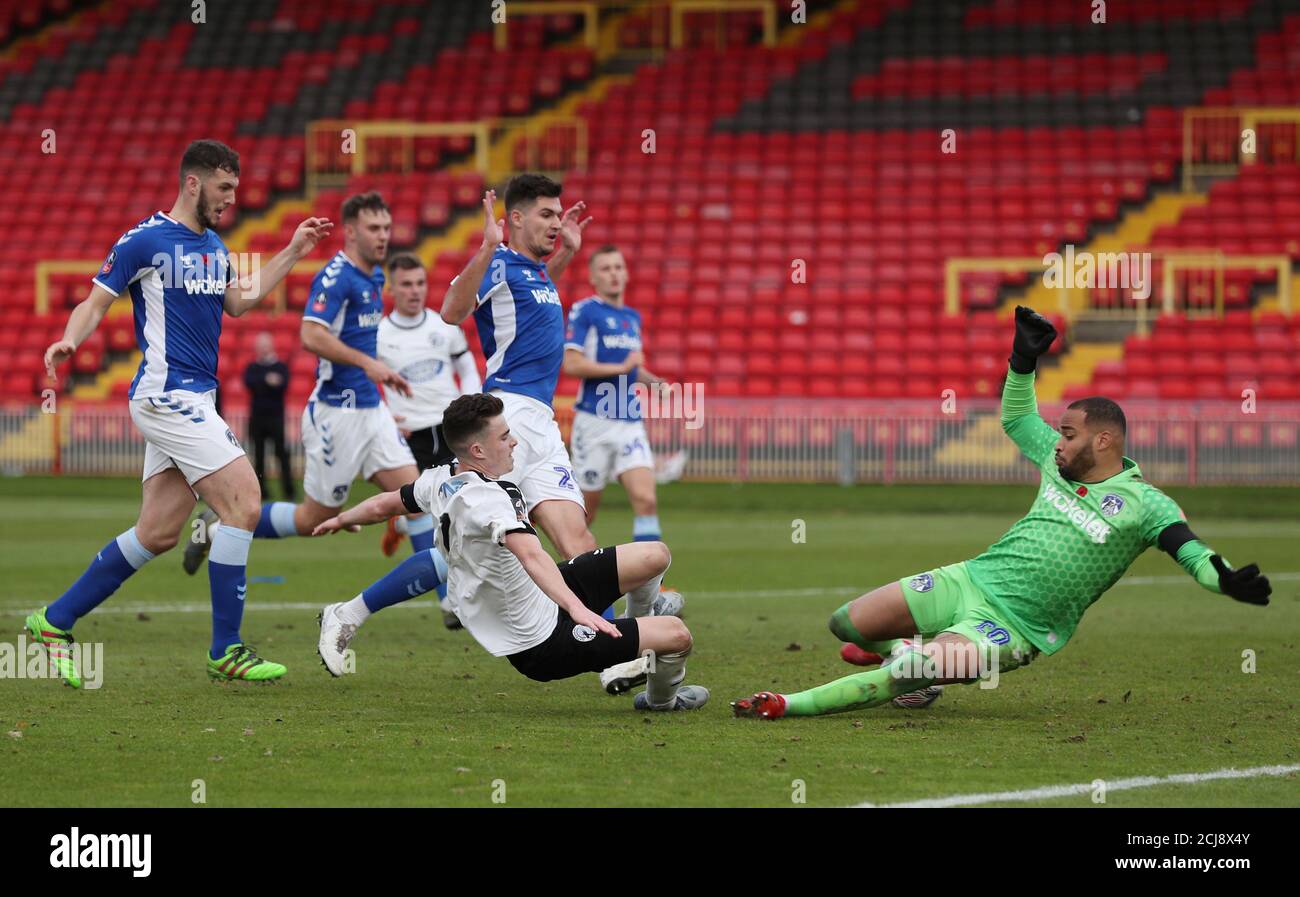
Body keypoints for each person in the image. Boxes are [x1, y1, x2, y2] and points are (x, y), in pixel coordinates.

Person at [733, 307, 1272, 720]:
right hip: (969, 578)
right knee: (845, 624)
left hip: (1012, 629)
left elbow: (1193, 553)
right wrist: (1022, 361)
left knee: (911, 669)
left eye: (1069, 434)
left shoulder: (1147, 505)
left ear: (1103, 440)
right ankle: (905, 653)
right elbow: (1017, 417)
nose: (1057, 442)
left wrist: (1221, 579)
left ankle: (787, 702)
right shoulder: (1056, 462)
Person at [30, 138, 332, 684]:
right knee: (244, 501)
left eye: (235, 189)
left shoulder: (215, 245)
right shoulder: (144, 241)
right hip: (167, 395)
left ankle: (54, 622)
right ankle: (226, 649)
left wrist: (293, 251)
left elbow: (237, 303)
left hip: (194, 399)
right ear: (193, 183)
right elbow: (95, 300)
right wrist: (69, 341)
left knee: (158, 532)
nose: (231, 199)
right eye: (224, 188)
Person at [311, 393, 709, 711]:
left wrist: (343, 518)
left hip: (536, 599)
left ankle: (636, 634)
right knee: (677, 635)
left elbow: (386, 504)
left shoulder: (443, 476)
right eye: (504, 436)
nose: (515, 440)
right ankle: (661, 701)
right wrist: (579, 610)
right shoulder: (489, 502)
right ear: (478, 450)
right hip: (540, 642)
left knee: (654, 554)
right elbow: (533, 556)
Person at [242, 331, 295, 500]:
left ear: (271, 346)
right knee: (258, 457)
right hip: (257, 418)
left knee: (282, 455)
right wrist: (268, 380)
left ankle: (289, 491)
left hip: (276, 417)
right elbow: (250, 383)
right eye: (260, 345)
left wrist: (263, 383)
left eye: (265, 345)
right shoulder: (252, 367)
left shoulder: (280, 366)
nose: (263, 348)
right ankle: (261, 492)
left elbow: (283, 385)